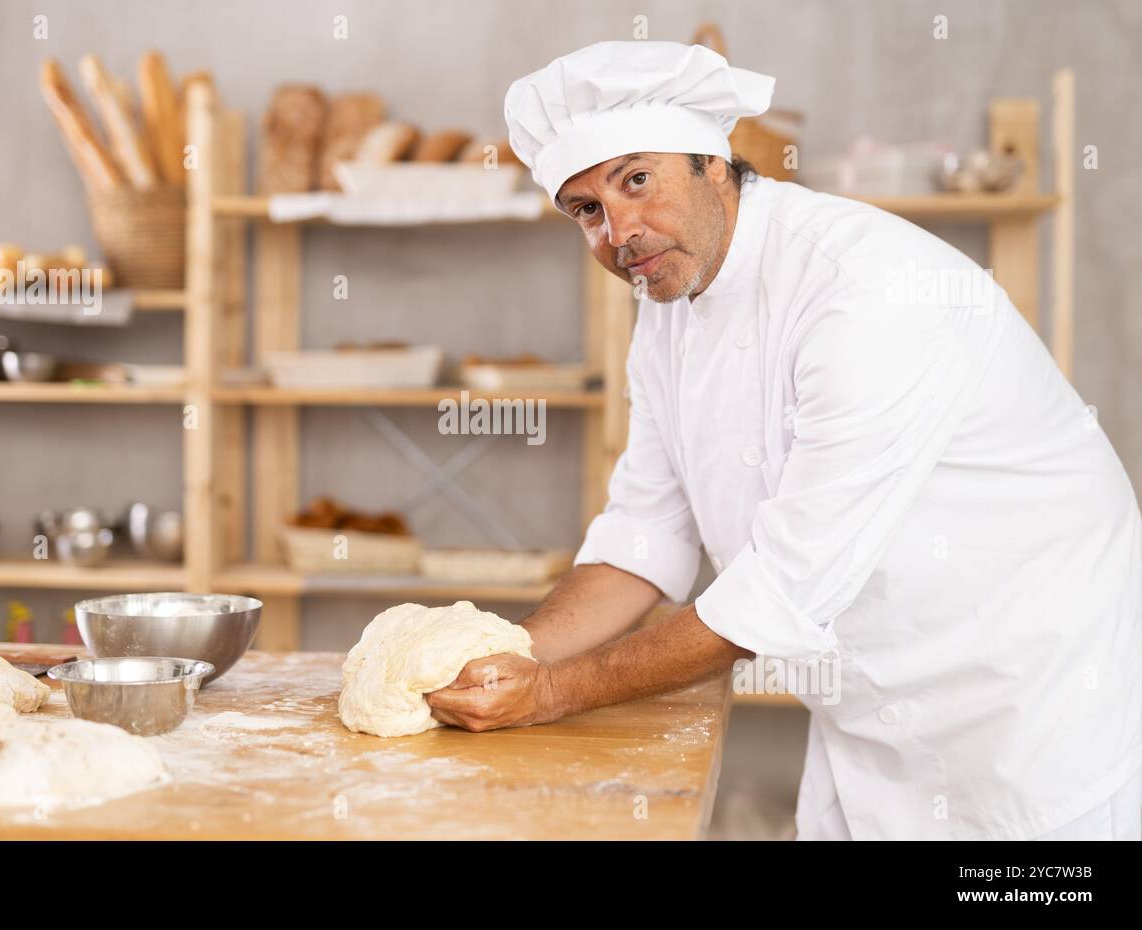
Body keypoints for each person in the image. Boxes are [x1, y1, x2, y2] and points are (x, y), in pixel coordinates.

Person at [424, 40, 1142, 840]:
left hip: (1029, 703)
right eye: (587, 209)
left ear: (714, 164)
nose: (619, 230)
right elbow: (644, 536)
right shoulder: (667, 310)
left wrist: (551, 693)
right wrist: (500, 655)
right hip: (871, 709)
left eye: (636, 179)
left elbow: (781, 594)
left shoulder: (864, 290)